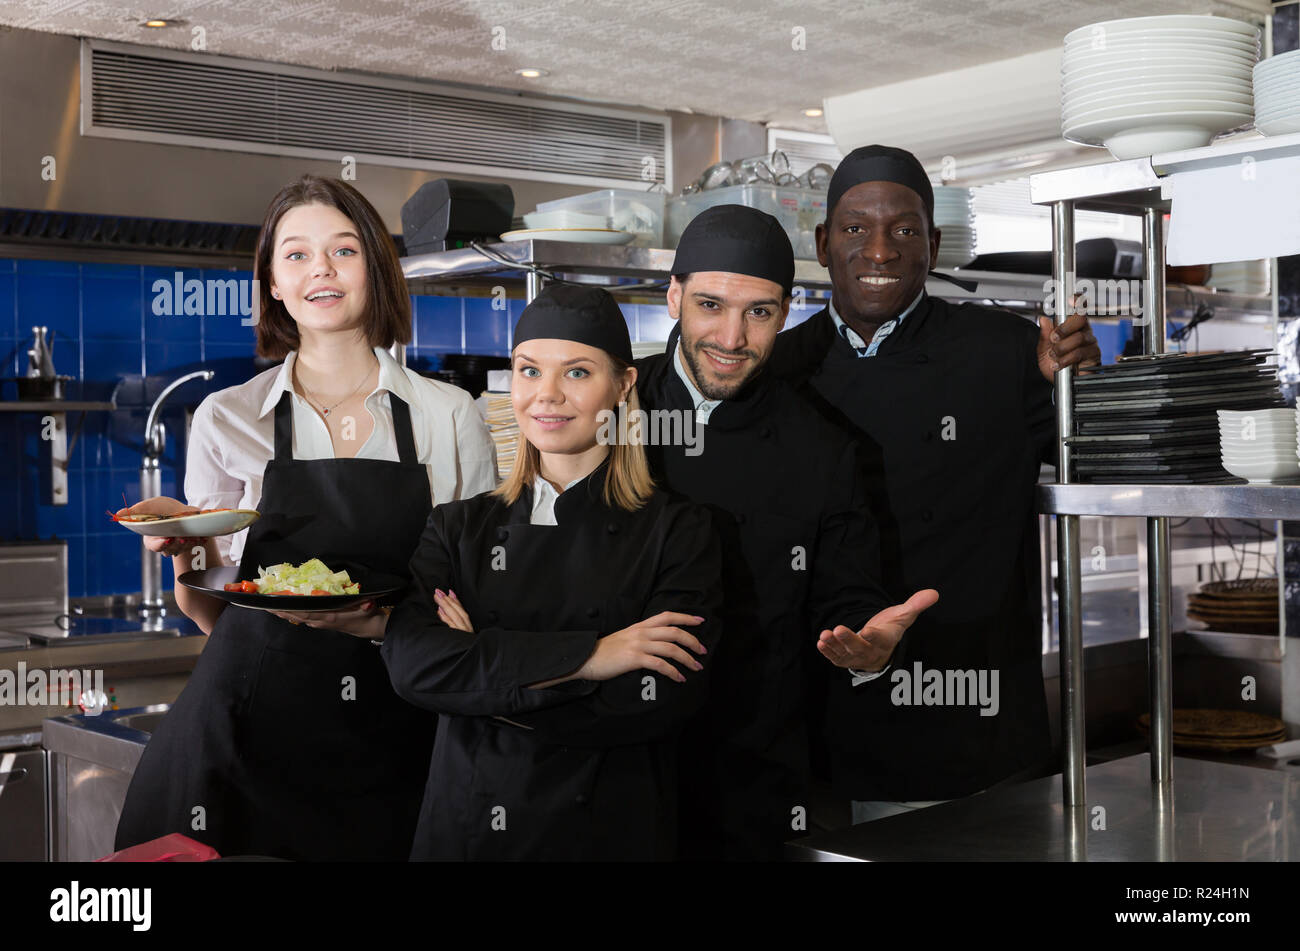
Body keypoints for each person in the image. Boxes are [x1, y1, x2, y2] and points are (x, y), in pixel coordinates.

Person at [114, 174, 497, 860]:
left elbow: (474, 598)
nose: (319, 268)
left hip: (398, 726)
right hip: (247, 733)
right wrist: (183, 551)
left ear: (375, 270)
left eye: (342, 250)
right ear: (272, 284)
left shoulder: (450, 415)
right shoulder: (226, 416)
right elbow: (211, 613)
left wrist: (406, 624)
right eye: (295, 254)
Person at [283, 284, 723, 860]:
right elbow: (416, 670)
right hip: (465, 829)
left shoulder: (679, 531)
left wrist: (478, 672)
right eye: (529, 370)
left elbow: (656, 699)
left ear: (622, 385)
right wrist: (596, 656)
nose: (547, 395)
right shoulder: (457, 527)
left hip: (608, 831)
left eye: (578, 373)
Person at [768, 144, 1101, 823]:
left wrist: (1080, 387)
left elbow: (1094, 463)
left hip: (977, 733)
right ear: (824, 241)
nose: (881, 250)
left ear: (934, 243)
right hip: (820, 732)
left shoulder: (1009, 352)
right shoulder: (780, 369)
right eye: (857, 228)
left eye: (906, 229)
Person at [635, 204, 937, 860]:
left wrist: (873, 648)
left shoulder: (822, 448)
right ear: (674, 296)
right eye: (710, 305)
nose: (732, 336)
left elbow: (847, 597)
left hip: (749, 773)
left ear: (785, 311)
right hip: (611, 765)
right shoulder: (609, 410)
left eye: (759, 312)